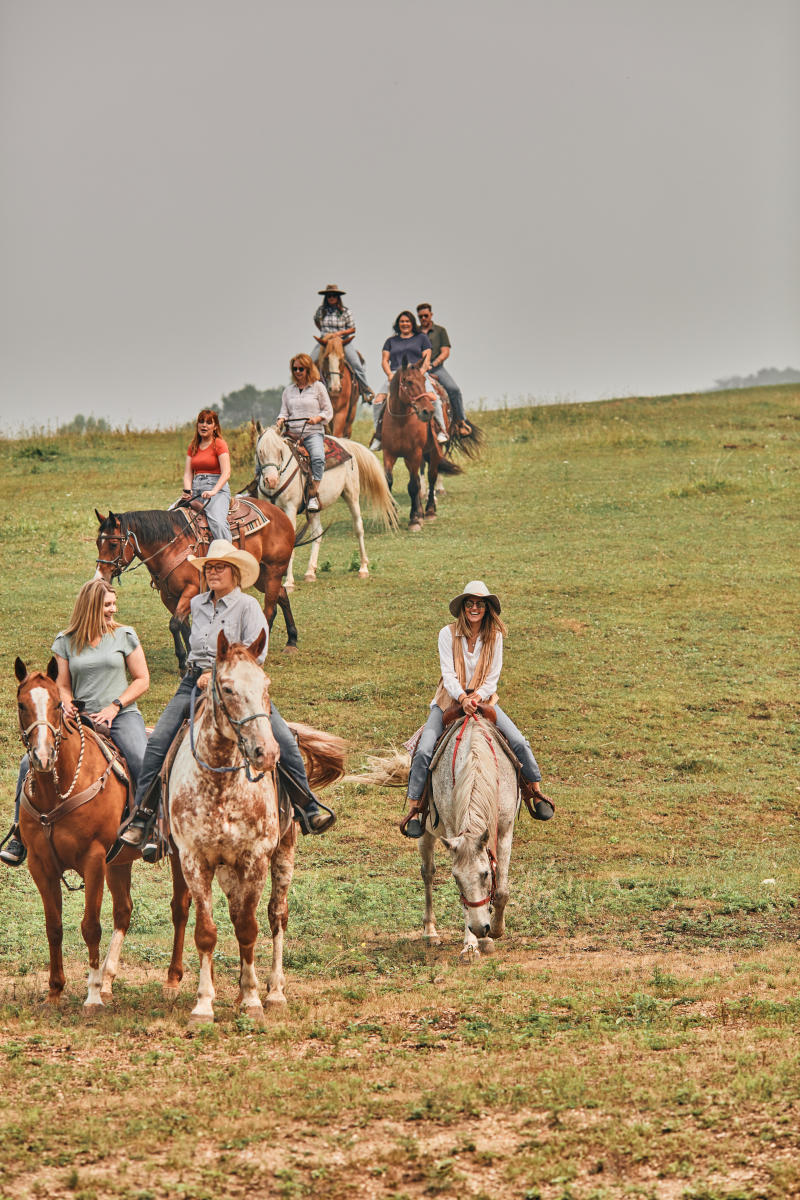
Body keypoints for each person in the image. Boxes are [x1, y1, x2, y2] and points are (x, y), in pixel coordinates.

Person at [109, 540, 335, 859]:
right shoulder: (199, 604)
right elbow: (197, 647)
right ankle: (144, 817)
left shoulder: (248, 607)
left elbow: (259, 653)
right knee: (159, 741)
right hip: (194, 681)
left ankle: (308, 806)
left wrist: (216, 674)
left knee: (282, 737)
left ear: (235, 573)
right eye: (209, 567)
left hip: (239, 686)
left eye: (220, 568)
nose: (213, 572)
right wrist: (202, 673)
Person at [1, 580, 150, 867]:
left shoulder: (124, 635)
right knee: (26, 764)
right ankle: (19, 836)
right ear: (92, 606)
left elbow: (142, 679)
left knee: (141, 758)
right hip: (80, 718)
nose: (113, 609)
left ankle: (148, 825)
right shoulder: (66, 640)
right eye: (108, 605)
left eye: (113, 604)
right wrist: (67, 702)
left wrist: (115, 707)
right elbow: (64, 684)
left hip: (122, 715)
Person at [398, 580, 553, 838]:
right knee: (424, 749)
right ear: (463, 608)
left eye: (479, 604)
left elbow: (493, 676)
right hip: (449, 701)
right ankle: (416, 807)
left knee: (518, 741)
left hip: (484, 701)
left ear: (487, 608)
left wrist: (477, 697)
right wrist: (462, 697)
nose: (474, 608)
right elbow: (448, 673)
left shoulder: (495, 637)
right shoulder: (446, 634)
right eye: (469, 603)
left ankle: (534, 793)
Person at [370, 311, 448, 452]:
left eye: (407, 321)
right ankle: (378, 436)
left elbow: (426, 359)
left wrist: (419, 374)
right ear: (398, 324)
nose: (405, 324)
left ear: (412, 323)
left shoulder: (422, 338)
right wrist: (389, 374)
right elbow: (384, 360)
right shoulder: (390, 341)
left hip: (417, 374)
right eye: (402, 322)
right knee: (377, 402)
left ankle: (442, 430)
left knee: (434, 399)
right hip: (395, 375)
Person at [277, 354, 334, 513]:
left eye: (301, 368)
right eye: (294, 369)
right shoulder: (288, 391)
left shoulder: (318, 387)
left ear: (308, 369)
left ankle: (313, 494)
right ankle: (256, 488)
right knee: (268, 452)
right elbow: (284, 412)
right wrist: (280, 420)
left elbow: (328, 411)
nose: (297, 372)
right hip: (291, 433)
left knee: (317, 457)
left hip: (312, 432)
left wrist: (317, 419)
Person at [416, 302, 471, 437]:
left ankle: (461, 421)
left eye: (425, 316)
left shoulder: (440, 331)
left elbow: (445, 351)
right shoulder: (415, 332)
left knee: (454, 389)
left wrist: (433, 364)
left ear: (431, 315)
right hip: (419, 370)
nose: (423, 319)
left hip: (436, 368)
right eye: (420, 317)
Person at [312, 284, 375, 401]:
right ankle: (305, 390)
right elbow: (316, 320)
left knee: (356, 364)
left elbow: (352, 328)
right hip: (325, 342)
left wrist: (339, 334)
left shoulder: (345, 311)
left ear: (338, 297)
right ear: (326, 298)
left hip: (342, 342)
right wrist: (324, 332)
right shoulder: (321, 311)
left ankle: (365, 389)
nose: (331, 298)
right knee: (309, 362)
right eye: (329, 296)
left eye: (334, 296)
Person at [183, 409, 232, 542]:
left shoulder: (219, 444)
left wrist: (213, 491)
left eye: (209, 423)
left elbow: (226, 472)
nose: (204, 425)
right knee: (171, 515)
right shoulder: (193, 446)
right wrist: (187, 491)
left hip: (217, 490)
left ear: (215, 426)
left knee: (217, 522)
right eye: (201, 421)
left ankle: (229, 555)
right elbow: (188, 473)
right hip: (196, 489)